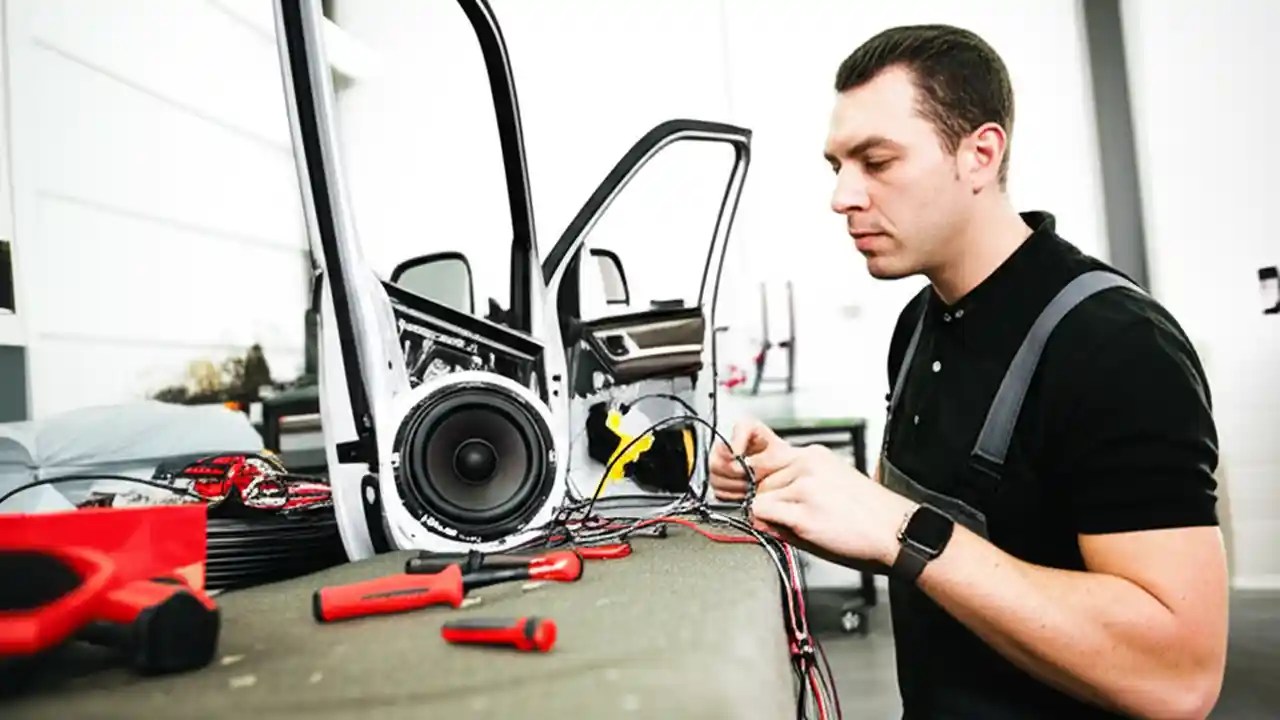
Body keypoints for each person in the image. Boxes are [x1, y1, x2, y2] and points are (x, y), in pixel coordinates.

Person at [709, 24, 1228, 720]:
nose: (842, 197)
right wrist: (812, 494)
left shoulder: (1116, 346)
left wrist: (897, 524)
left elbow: (1179, 674)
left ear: (979, 154)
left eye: (877, 161)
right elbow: (953, 537)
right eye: (836, 166)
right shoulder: (919, 321)